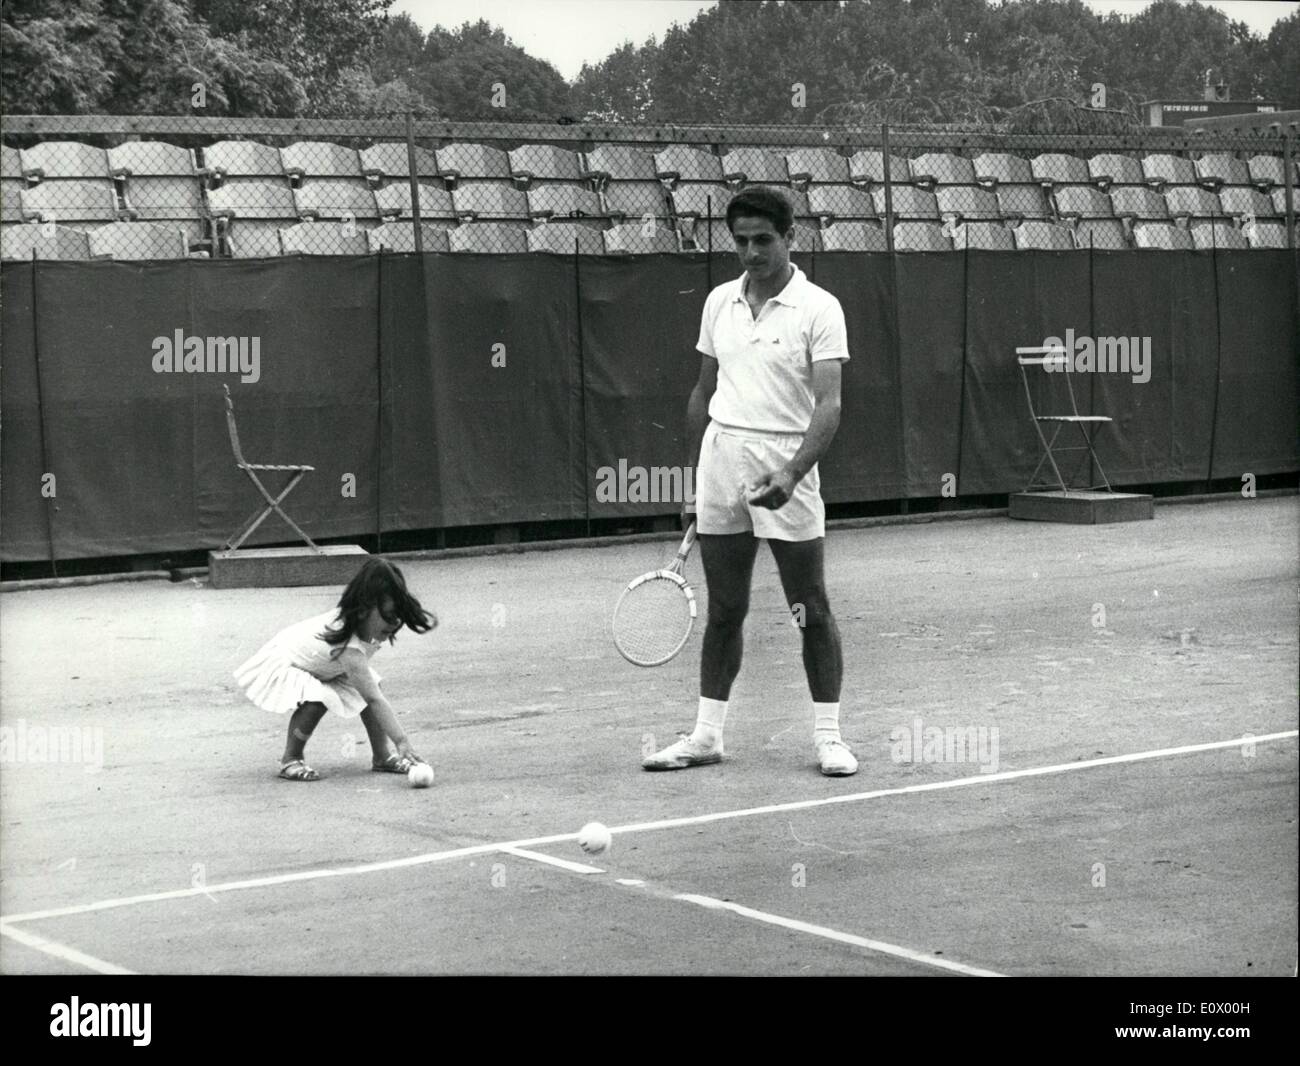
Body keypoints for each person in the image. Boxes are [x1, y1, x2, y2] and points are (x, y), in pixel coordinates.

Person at [643, 185, 856, 776]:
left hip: (786, 462)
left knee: (809, 607)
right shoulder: (717, 302)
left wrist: (792, 473)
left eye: (763, 240)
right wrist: (696, 481)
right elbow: (701, 391)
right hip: (722, 458)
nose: (751, 252)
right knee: (724, 610)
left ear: (791, 238)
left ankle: (829, 737)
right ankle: (706, 736)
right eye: (740, 241)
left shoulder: (820, 308)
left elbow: (829, 405)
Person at [235, 558, 436, 781]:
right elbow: (374, 700)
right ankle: (290, 759)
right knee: (319, 699)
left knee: (372, 687)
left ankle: (382, 757)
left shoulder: (362, 629)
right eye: (388, 616)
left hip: (326, 666)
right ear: (363, 610)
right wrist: (402, 741)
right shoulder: (347, 646)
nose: (394, 623)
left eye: (398, 617)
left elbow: (371, 693)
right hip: (289, 661)